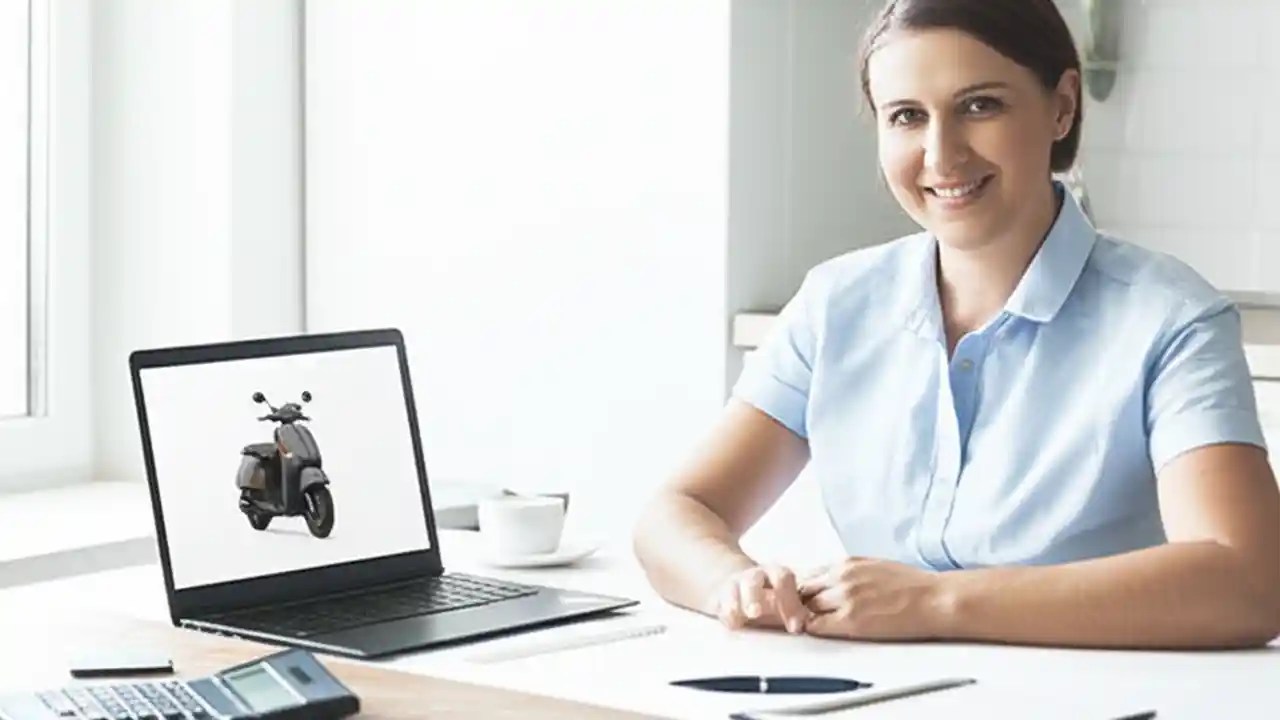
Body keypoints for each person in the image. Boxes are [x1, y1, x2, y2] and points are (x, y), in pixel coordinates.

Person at [632, 0, 1280, 649]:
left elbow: (1248, 580)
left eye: (979, 106)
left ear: (1062, 106)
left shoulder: (1171, 319)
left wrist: (938, 601)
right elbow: (676, 514)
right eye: (907, 116)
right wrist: (734, 584)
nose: (940, 155)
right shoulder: (836, 305)